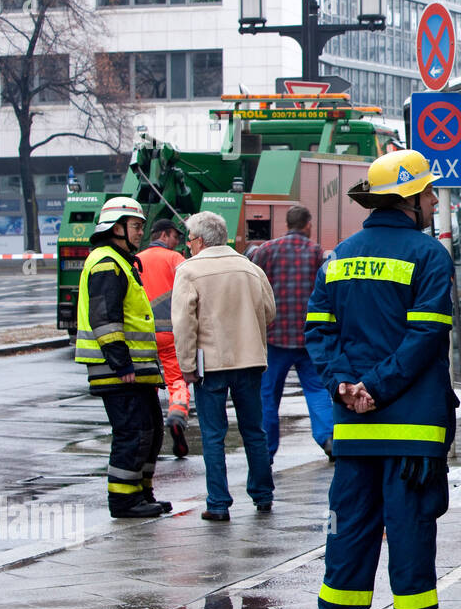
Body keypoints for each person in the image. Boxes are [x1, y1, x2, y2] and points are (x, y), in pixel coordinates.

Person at [304, 150, 461, 609]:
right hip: (410, 426)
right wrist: (378, 386)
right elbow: (426, 338)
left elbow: (318, 333)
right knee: (410, 525)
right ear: (409, 199)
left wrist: (345, 385)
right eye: (429, 192)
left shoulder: (340, 256)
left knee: (350, 525)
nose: (435, 199)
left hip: (352, 427)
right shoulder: (429, 255)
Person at [172, 211, 277, 521]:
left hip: (211, 364)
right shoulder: (250, 268)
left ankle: (218, 503)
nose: (188, 246)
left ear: (200, 241)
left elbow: (183, 324)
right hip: (250, 360)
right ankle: (263, 494)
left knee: (213, 435)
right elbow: (269, 311)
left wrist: (187, 364)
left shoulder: (189, 271)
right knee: (254, 431)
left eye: (189, 240)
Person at [74, 197, 168, 518]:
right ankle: (124, 501)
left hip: (134, 370)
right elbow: (105, 318)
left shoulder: (121, 260)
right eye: (136, 226)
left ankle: (141, 493)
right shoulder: (107, 262)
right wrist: (121, 362)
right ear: (117, 228)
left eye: (142, 226)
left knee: (151, 430)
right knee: (132, 432)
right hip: (119, 370)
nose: (141, 232)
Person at [249, 205, 334, 464]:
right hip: (309, 338)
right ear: (307, 224)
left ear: (287, 224)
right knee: (317, 390)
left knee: (268, 395)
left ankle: (266, 449)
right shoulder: (317, 253)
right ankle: (328, 437)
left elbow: (253, 285)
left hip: (274, 336)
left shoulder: (265, 251)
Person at [136, 218, 190, 457]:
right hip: (171, 333)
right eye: (175, 236)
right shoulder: (175, 259)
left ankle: (150, 425)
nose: (177, 241)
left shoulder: (137, 260)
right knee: (177, 379)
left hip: (144, 335)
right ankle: (177, 414)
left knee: (148, 381)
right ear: (165, 235)